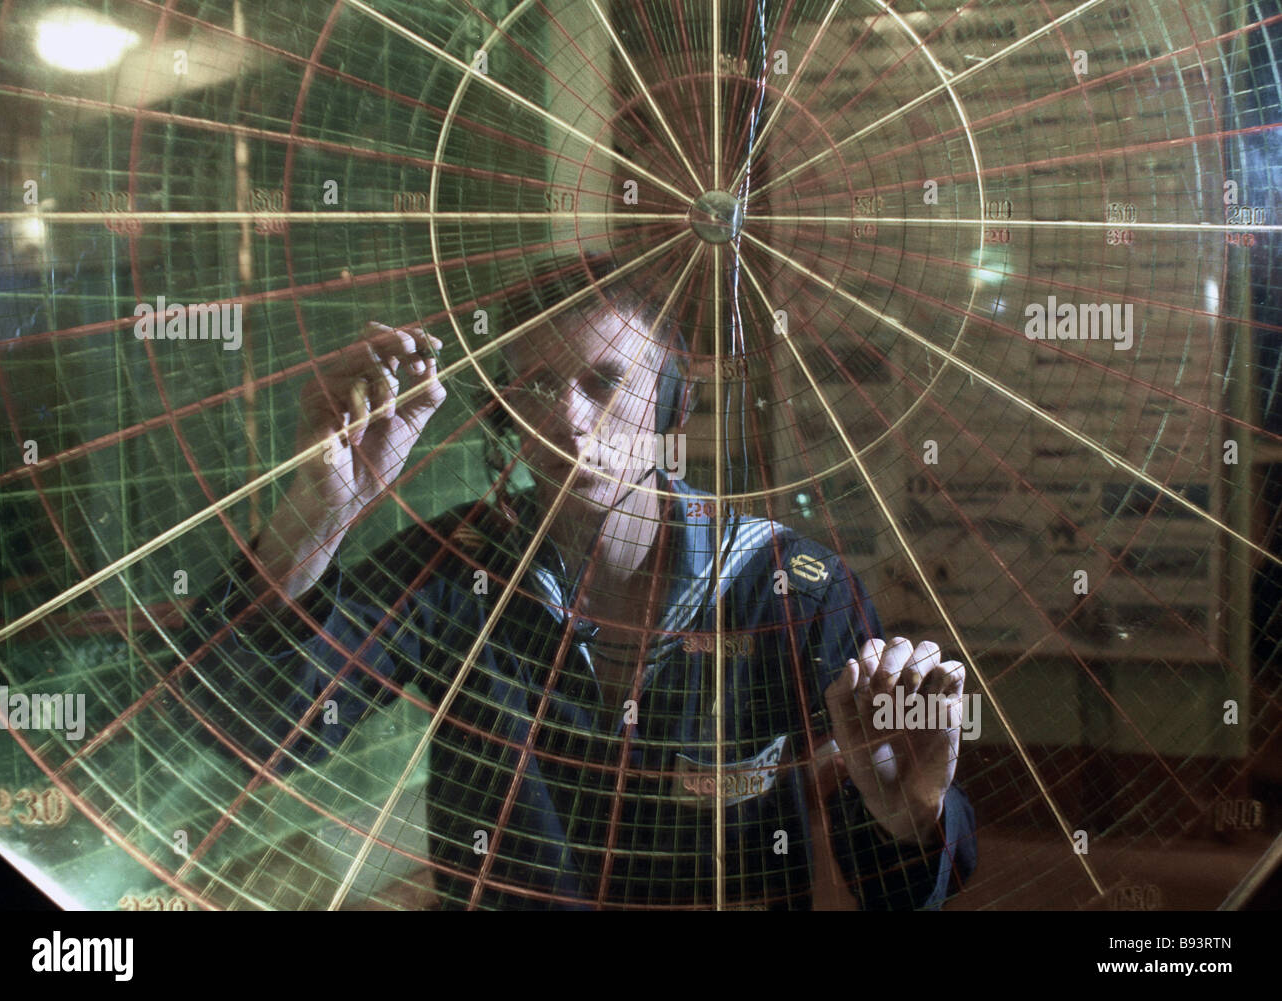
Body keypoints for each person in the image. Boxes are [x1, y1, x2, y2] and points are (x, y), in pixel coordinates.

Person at [182, 259, 977, 910]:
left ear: (673, 405)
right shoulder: (456, 567)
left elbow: (902, 885)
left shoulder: (793, 590)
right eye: (533, 387)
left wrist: (912, 820)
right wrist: (319, 509)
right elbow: (244, 729)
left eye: (604, 382)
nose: (565, 419)